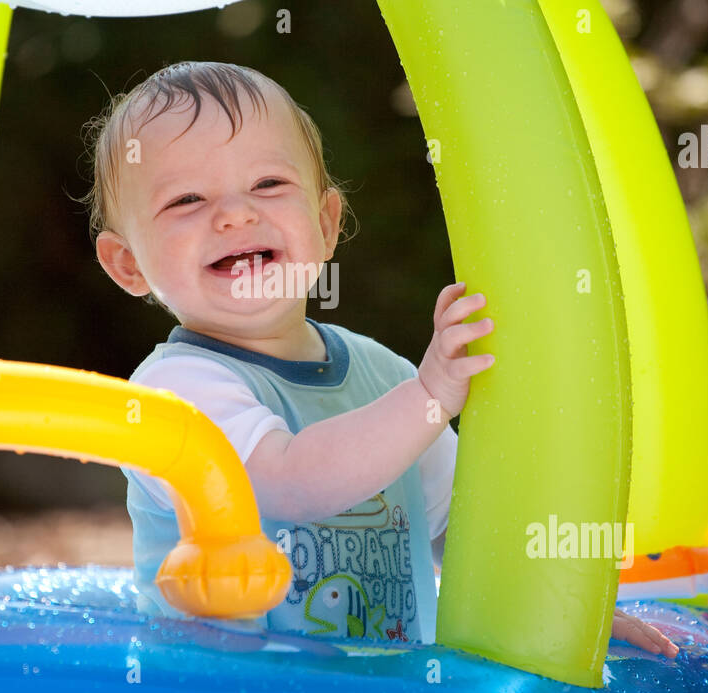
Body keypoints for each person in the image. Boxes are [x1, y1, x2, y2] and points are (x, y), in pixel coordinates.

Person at [85, 60, 678, 656]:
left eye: (268, 185)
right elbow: (286, 482)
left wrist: (558, 609)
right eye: (187, 199)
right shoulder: (172, 394)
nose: (236, 213)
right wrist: (426, 402)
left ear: (325, 222)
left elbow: (468, 530)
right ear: (127, 264)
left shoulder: (382, 376)